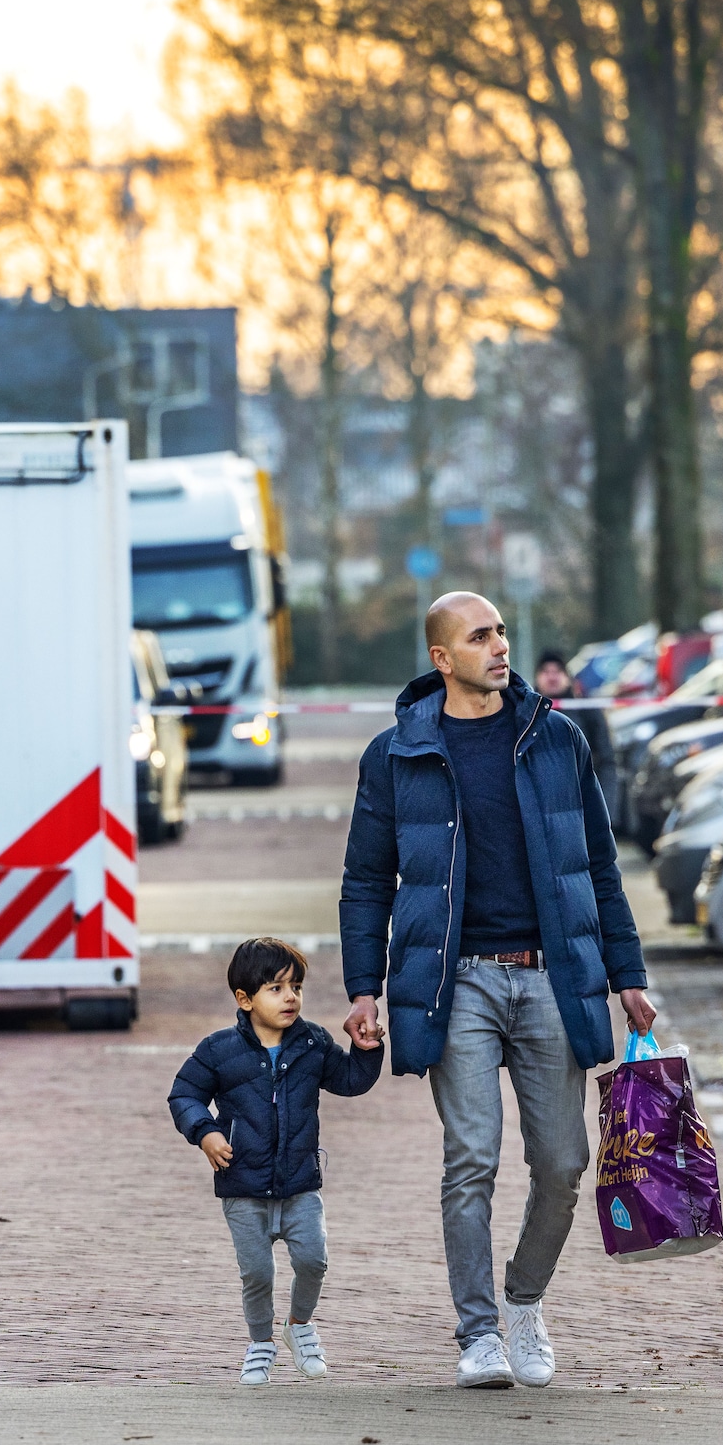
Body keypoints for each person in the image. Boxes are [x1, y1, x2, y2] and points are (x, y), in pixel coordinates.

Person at [339, 592, 655, 1390]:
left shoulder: (555, 738)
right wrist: (363, 989)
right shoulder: (396, 755)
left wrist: (630, 976)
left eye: (502, 632)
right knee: (471, 1157)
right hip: (459, 986)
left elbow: (600, 869)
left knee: (562, 1161)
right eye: (480, 637)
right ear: (442, 658)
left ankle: (524, 1301)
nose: (500, 646)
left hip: (551, 976)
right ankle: (478, 1333)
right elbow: (366, 880)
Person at [169, 938, 384, 1385]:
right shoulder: (218, 1050)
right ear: (244, 1000)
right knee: (257, 1273)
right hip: (242, 1187)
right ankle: (260, 1343)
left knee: (313, 1261)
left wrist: (366, 1051)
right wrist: (205, 1132)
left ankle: (299, 1326)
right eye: (275, 988)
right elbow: (184, 1094)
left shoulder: (312, 1042)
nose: (290, 997)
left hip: (300, 1184)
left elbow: (349, 1081)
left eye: (296, 987)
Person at [531, 649, 616, 810]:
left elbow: (607, 762)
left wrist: (604, 808)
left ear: (568, 677)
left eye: (557, 671)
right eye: (546, 671)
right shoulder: (526, 714)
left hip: (583, 804)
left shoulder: (587, 711)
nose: (552, 677)